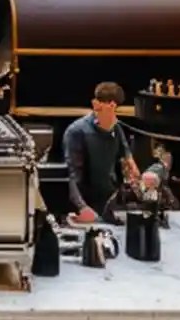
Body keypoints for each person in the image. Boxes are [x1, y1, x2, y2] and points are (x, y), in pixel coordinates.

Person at [64, 81, 167, 224]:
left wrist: (144, 184)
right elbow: (71, 176)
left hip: (108, 205)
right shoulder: (76, 132)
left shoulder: (116, 129)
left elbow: (129, 165)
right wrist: (82, 208)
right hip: (86, 207)